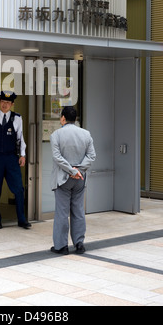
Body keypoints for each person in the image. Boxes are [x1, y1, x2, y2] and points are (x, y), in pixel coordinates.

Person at [0, 91, 31, 230]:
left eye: (8, 103)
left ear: (12, 104)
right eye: (3, 101)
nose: (5, 104)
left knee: (19, 189)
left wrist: (22, 155)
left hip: (11, 159)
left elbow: (21, 138)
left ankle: (22, 219)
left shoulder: (17, 119)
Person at [50, 106, 96, 255]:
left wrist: (71, 170)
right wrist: (79, 170)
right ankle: (79, 243)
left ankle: (61, 246)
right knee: (78, 211)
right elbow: (91, 156)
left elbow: (57, 158)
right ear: (75, 119)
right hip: (80, 179)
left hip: (63, 179)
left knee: (62, 213)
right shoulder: (86, 134)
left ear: (63, 118)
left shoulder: (56, 135)